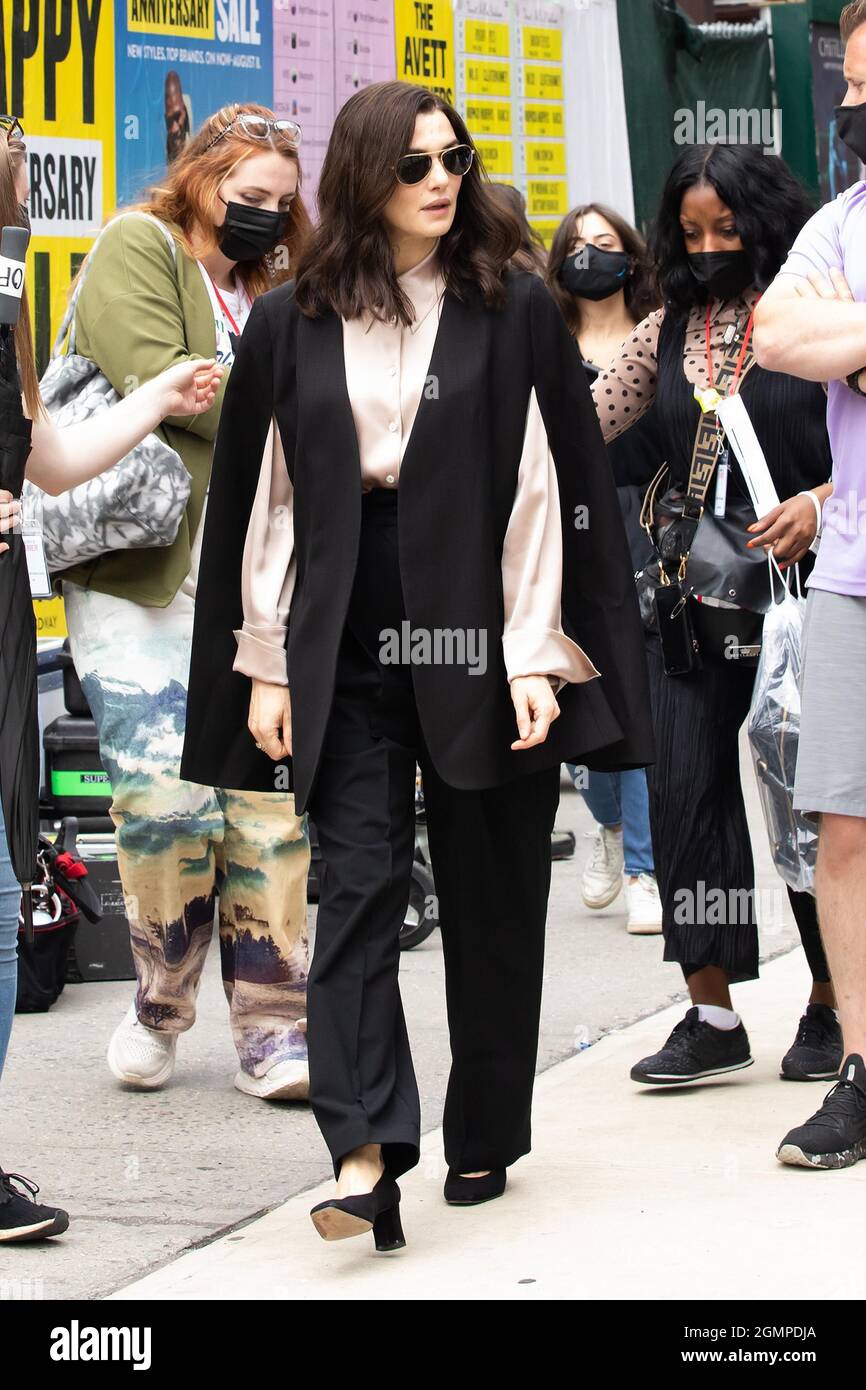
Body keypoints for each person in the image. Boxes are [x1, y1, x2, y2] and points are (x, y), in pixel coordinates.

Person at [181, 80, 654, 1249]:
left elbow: (546, 488)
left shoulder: (515, 307)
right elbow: (266, 503)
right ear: (364, 178)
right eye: (414, 165)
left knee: (495, 898)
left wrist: (537, 652)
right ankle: (363, 1153)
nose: (441, 180)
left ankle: (483, 1127)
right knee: (354, 890)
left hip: (483, 624)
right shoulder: (292, 320)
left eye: (455, 159)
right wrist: (265, 664)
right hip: (340, 628)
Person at [60, 103, 315, 1102]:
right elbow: (174, 386)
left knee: (267, 807)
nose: (261, 216)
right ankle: (161, 999)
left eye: (281, 205)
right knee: (164, 808)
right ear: (200, 175)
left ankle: (273, 1027)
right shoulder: (140, 245)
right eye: (246, 196)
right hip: (148, 578)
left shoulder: (274, 286)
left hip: (260, 586)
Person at [0, 112, 221, 1242]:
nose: (18, 216)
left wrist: (156, 402)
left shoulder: (9, 307)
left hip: (1, 604)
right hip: (80, 598)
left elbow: (47, 454)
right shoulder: (139, 249)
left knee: (0, 892)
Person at [590, 144, 840, 1088]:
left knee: (808, 799)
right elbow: (583, 423)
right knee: (687, 792)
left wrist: (817, 499)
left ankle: (830, 998)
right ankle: (710, 1009)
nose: (707, 248)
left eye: (726, 230)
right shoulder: (661, 335)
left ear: (766, 221)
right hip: (688, 599)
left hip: (811, 589)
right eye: (690, 233)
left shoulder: (817, 325)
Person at [754, 0, 866, 1168]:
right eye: (846, 91)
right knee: (845, 830)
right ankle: (860, 1068)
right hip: (852, 579)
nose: (850, 111)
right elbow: (779, 335)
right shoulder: (837, 222)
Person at [547, 203, 663, 934]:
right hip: (567, 529)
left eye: (606, 244)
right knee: (581, 686)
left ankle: (649, 870)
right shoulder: (547, 341)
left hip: (646, 523)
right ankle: (610, 829)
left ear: (631, 256)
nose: (592, 256)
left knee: (643, 694)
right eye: (579, 245)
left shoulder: (658, 334)